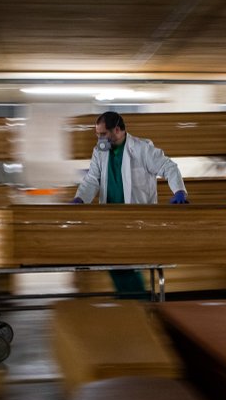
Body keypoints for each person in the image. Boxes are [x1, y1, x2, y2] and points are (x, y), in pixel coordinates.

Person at [73, 111, 189, 295]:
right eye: (97, 134)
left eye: (103, 134)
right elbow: (92, 179)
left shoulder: (142, 149)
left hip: (135, 218)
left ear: (117, 130)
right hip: (110, 218)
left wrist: (179, 191)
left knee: (124, 263)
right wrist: (80, 198)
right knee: (114, 263)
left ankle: (136, 303)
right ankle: (133, 303)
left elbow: (168, 167)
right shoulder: (99, 152)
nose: (99, 139)